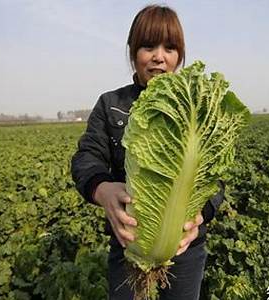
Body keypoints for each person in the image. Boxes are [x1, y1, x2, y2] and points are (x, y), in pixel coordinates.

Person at [71, 4, 224, 300]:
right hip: (128, 243)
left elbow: (217, 177)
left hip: (185, 247)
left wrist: (200, 215)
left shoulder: (199, 108)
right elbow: (86, 157)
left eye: (170, 47)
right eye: (148, 46)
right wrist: (101, 189)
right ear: (132, 51)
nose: (159, 56)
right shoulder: (111, 104)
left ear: (180, 54)